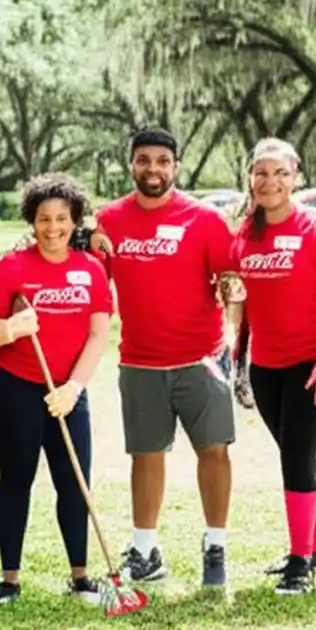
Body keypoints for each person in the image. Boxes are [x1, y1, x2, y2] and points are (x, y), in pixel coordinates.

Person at [93, 128, 244, 589]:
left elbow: (232, 281)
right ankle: (144, 551)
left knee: (213, 451)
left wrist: (235, 335)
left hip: (201, 359)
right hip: (140, 361)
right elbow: (88, 278)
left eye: (162, 161)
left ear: (175, 166)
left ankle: (215, 544)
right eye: (143, 160)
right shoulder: (110, 221)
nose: (152, 169)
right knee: (145, 455)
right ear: (131, 164)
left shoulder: (205, 219)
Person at [0, 173, 113, 605]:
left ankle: (81, 576)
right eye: (43, 219)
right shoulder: (12, 267)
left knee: (74, 480)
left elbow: (98, 335)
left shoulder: (90, 269)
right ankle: (10, 579)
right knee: (17, 477)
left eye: (62, 219)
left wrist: (74, 387)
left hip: (67, 391)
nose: (53, 228)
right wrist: (15, 327)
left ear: (75, 222)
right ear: (31, 221)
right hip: (13, 385)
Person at [232, 138, 316, 595]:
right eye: (262, 173)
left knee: (296, 453)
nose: (271, 182)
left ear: (296, 177)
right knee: (297, 451)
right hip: (267, 365)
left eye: (281, 173)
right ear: (251, 178)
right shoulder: (245, 234)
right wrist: (237, 355)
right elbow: (241, 300)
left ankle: (300, 563)